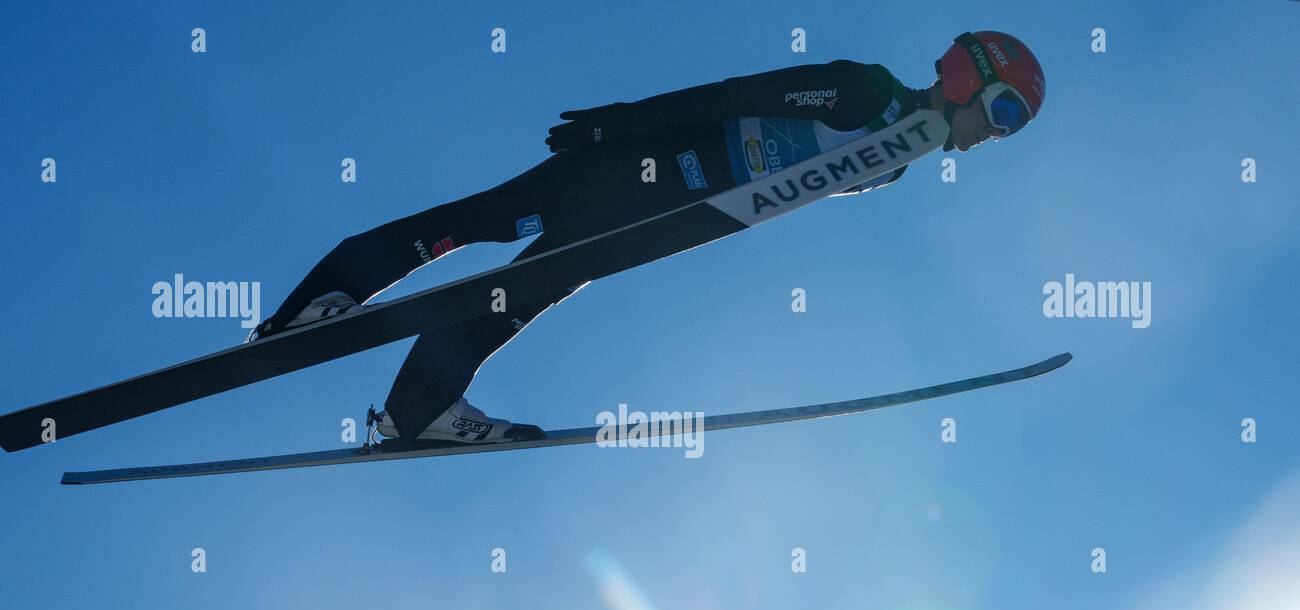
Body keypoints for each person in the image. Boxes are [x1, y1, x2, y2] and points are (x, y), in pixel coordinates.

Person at [250, 30, 1045, 444]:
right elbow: (740, 94)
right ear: (972, 78)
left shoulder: (897, 163)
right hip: (650, 164)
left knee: (525, 292)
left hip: (675, 218)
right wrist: (621, 121)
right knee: (485, 222)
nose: (994, 136)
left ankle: (415, 409)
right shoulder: (867, 92)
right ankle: (325, 298)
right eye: (1003, 114)